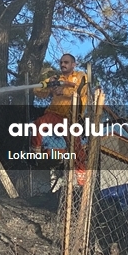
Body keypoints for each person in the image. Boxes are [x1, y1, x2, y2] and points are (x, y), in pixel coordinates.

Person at [32, 53, 88, 185]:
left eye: (66, 62)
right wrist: (47, 84)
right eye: (61, 62)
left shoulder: (81, 76)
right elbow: (38, 91)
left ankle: (82, 180)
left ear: (73, 65)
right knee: (38, 124)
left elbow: (81, 91)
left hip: (71, 118)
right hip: (55, 114)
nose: (63, 65)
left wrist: (63, 91)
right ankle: (36, 152)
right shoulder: (56, 78)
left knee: (76, 148)